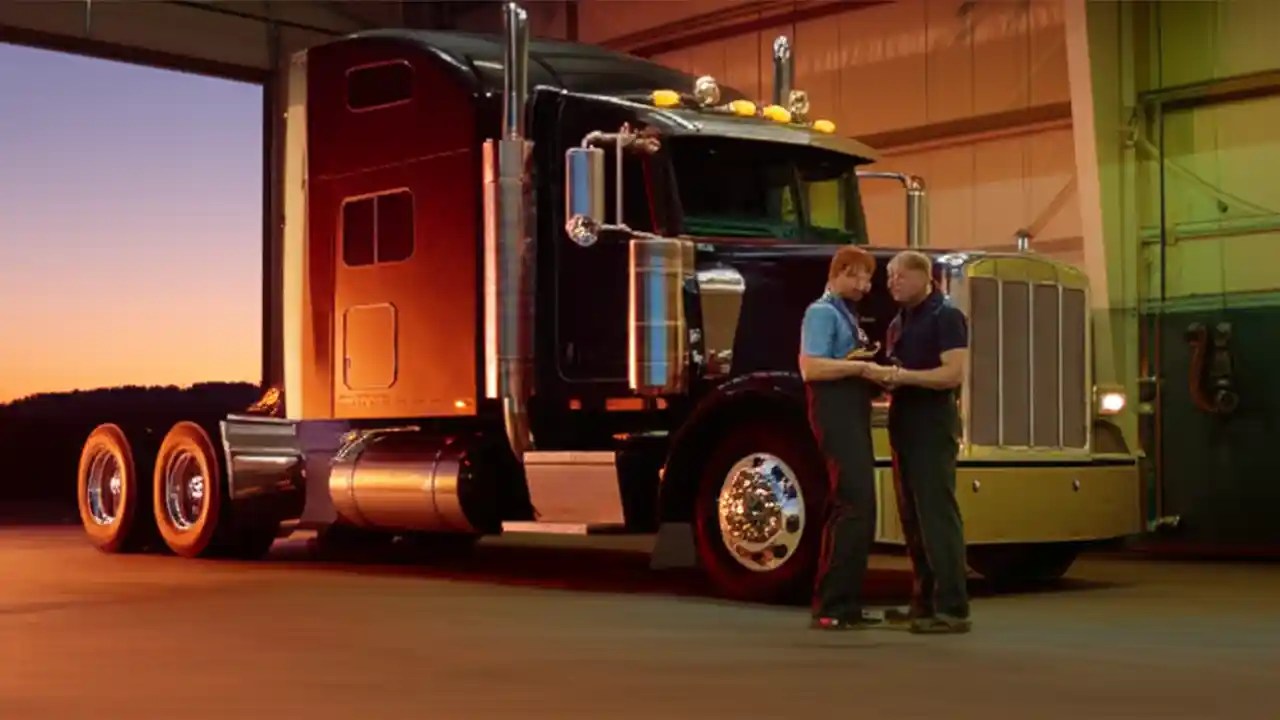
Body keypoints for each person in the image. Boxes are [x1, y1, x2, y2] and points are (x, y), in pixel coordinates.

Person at [878, 250, 972, 634]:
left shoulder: (945, 316)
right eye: (888, 277)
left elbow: (952, 374)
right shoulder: (899, 321)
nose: (892, 283)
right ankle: (923, 601)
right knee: (912, 518)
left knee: (937, 516)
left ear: (924, 276)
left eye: (899, 276)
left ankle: (953, 607)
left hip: (933, 424)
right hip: (904, 423)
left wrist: (903, 377)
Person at [798, 245, 890, 631]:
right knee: (852, 503)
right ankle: (832, 604)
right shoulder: (822, 312)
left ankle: (846, 602)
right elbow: (810, 366)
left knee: (859, 505)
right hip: (834, 408)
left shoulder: (846, 314)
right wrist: (862, 367)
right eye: (857, 276)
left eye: (869, 278)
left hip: (850, 408)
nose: (865, 285)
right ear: (839, 272)